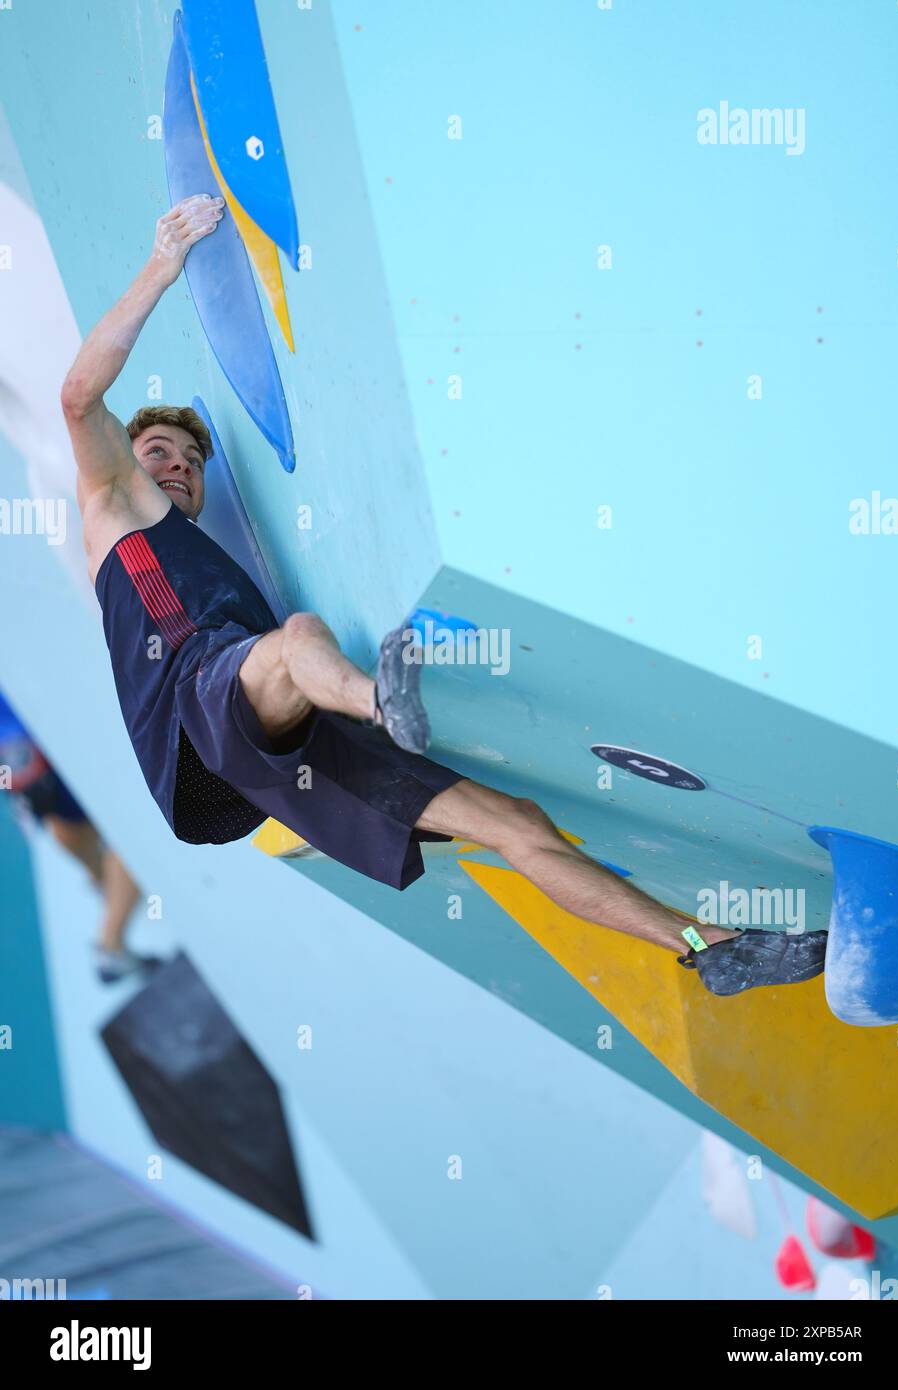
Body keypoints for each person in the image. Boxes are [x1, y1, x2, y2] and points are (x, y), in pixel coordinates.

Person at [59, 195, 827, 997]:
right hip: (197, 731)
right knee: (296, 637)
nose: (178, 465)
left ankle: (713, 947)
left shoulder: (213, 573)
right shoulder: (114, 510)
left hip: (263, 763)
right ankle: (383, 704)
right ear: (122, 458)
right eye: (159, 450)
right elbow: (78, 397)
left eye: (190, 458)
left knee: (519, 825)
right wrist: (162, 263)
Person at [0, 689, 155, 983]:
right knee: (135, 831)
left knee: (60, 810)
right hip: (39, 743)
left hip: (33, 746)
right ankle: (110, 944)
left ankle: (103, 883)